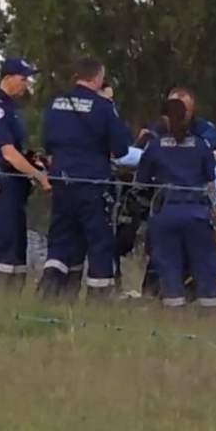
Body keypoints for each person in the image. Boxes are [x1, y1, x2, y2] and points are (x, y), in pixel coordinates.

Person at [37, 57, 133, 300]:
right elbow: (121, 149)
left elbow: (47, 144)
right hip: (93, 184)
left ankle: (49, 289)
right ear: (97, 78)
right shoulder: (102, 107)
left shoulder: (55, 104)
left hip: (61, 181)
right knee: (99, 240)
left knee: (59, 238)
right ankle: (98, 297)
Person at [137, 97, 216, 309]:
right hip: (196, 211)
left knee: (168, 264)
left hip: (166, 212)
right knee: (204, 263)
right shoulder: (201, 145)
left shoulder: (155, 147)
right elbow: (210, 180)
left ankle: (174, 308)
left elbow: (141, 181)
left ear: (164, 118)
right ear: (187, 116)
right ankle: (210, 308)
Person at [0, 57, 50, 290]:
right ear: (7, 78)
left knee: (18, 240)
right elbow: (8, 153)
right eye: (23, 78)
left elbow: (18, 151)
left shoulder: (11, 109)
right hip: (0, 181)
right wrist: (37, 176)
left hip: (15, 184)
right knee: (4, 239)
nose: (26, 83)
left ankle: (14, 294)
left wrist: (34, 160)